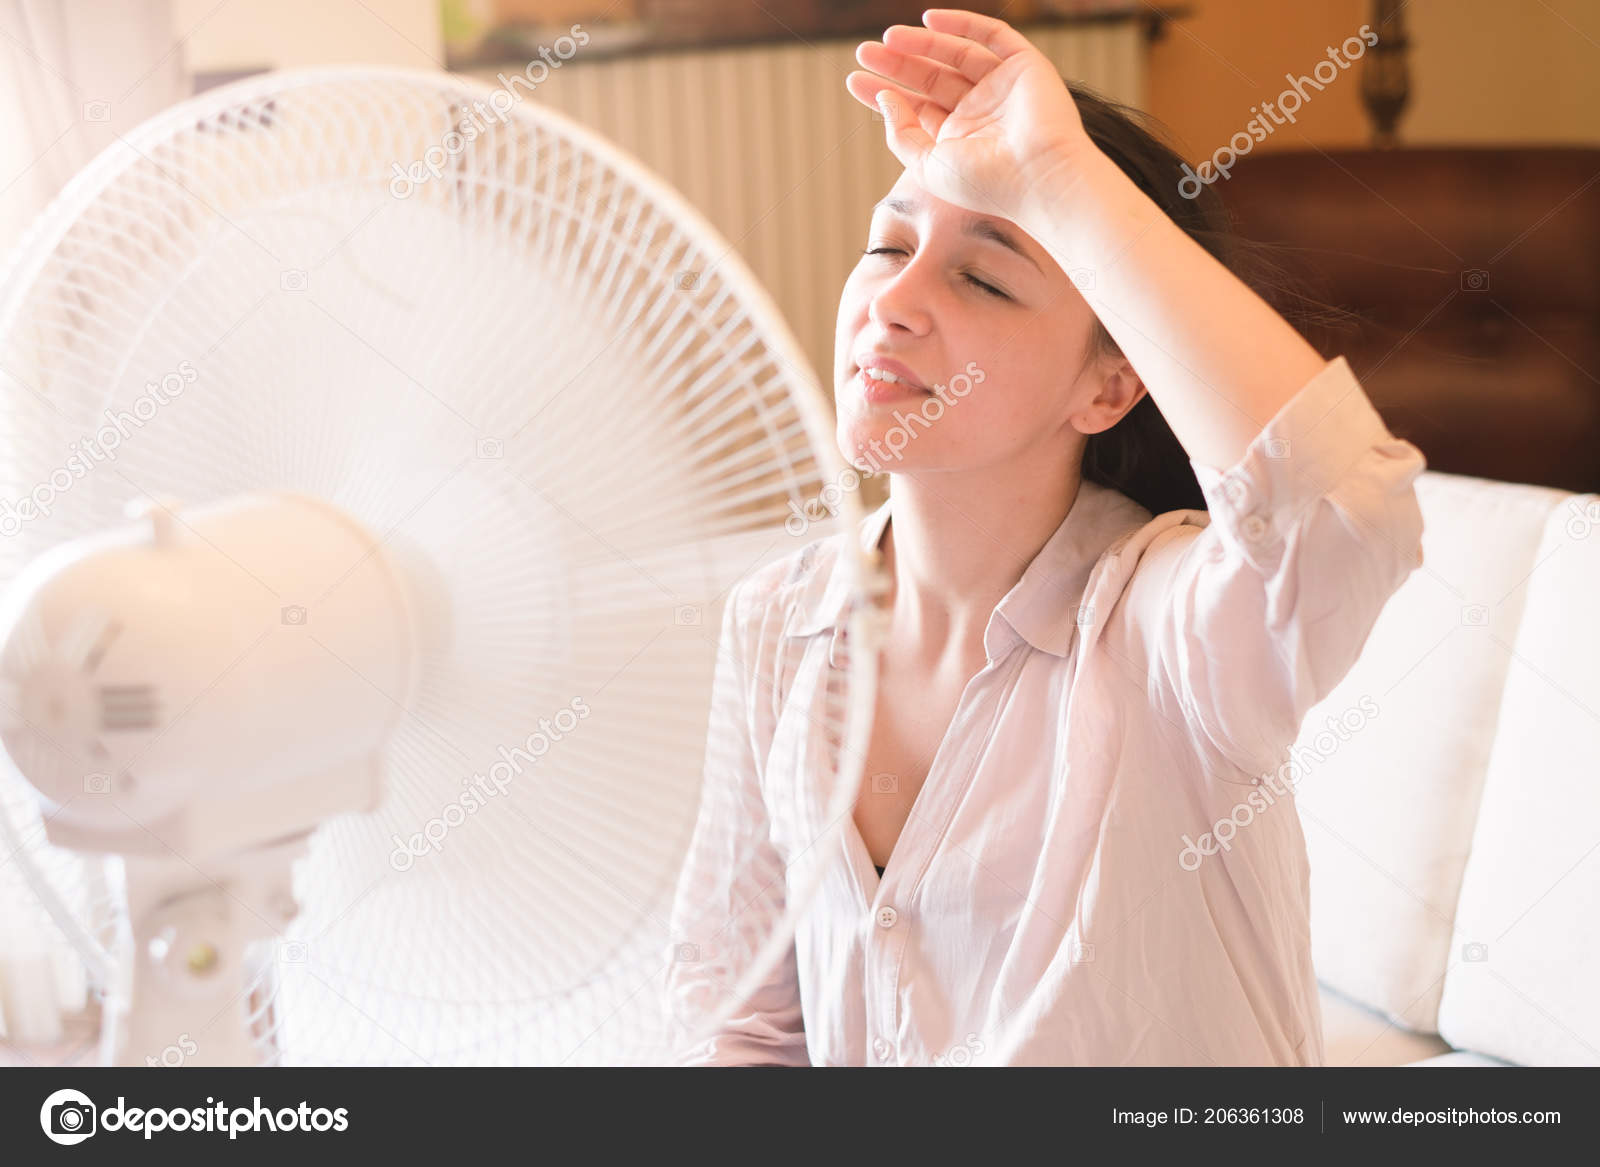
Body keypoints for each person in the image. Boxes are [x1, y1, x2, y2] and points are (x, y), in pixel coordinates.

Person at [665, 8, 1425, 1066]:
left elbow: (1343, 512)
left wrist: (1058, 171)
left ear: (1111, 383)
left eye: (981, 277)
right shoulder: (774, 625)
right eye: (888, 244)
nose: (892, 301)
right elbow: (740, 1013)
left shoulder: (1169, 634)